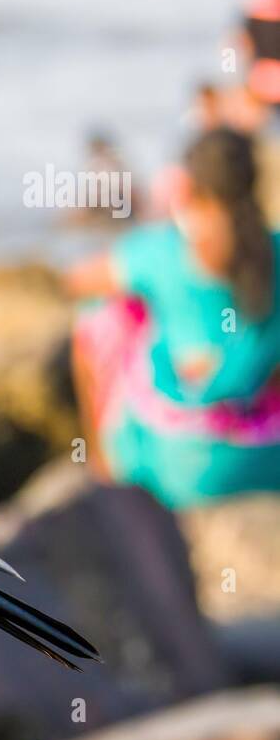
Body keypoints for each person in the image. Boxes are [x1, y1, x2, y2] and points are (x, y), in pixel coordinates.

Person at [67, 128, 280, 508]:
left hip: (185, 470)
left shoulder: (163, 251)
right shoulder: (274, 248)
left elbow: (77, 283)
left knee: (102, 320)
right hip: (267, 460)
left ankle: (102, 471)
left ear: (189, 185)